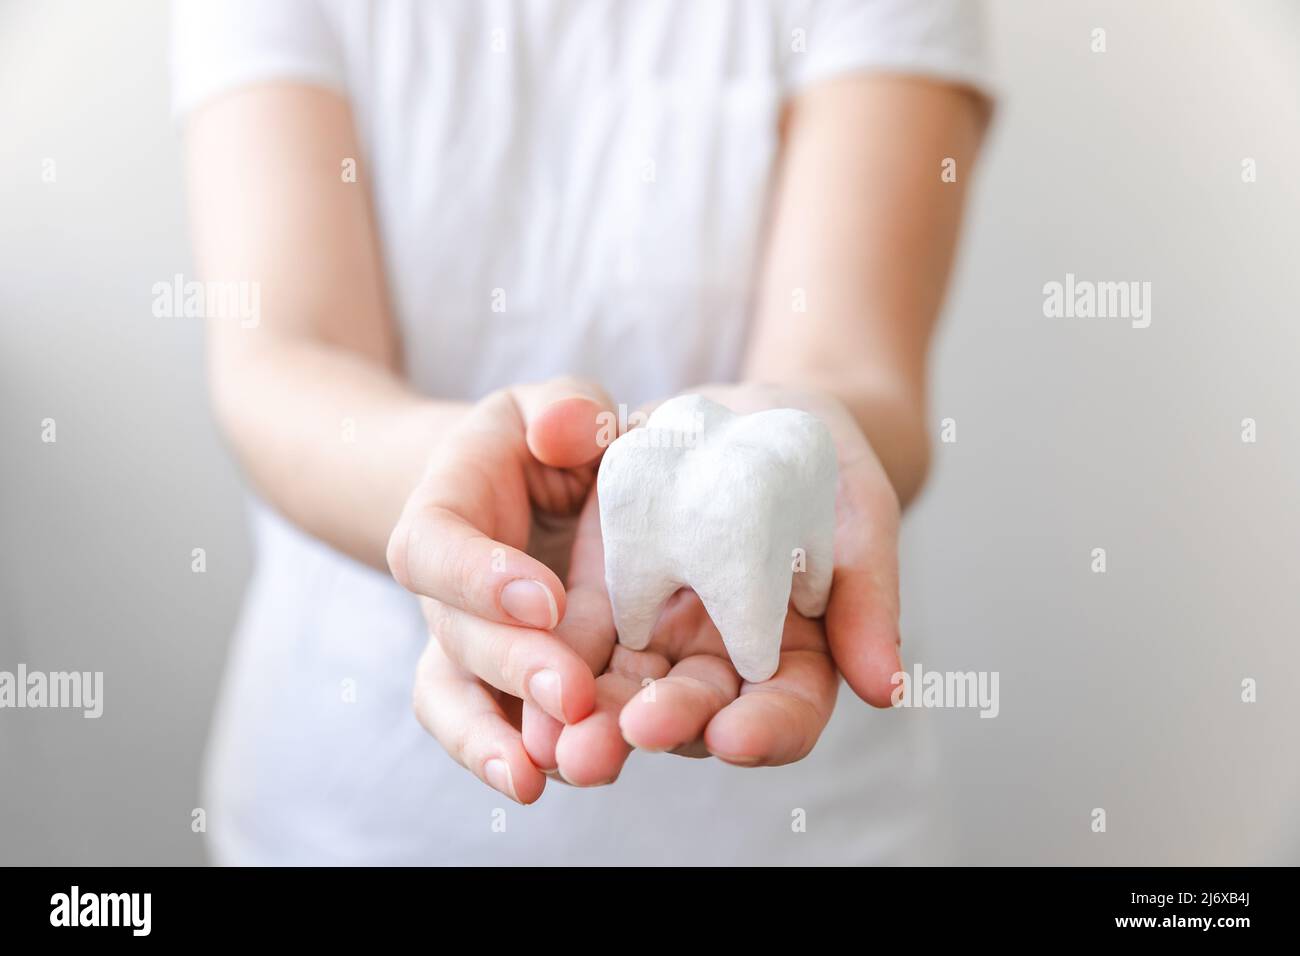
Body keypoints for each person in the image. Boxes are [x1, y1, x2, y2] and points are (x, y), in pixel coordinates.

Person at [173, 0, 992, 865]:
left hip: (805, 827)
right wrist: (470, 499)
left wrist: (809, 437)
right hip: (356, 811)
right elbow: (283, 362)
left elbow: (856, 361)